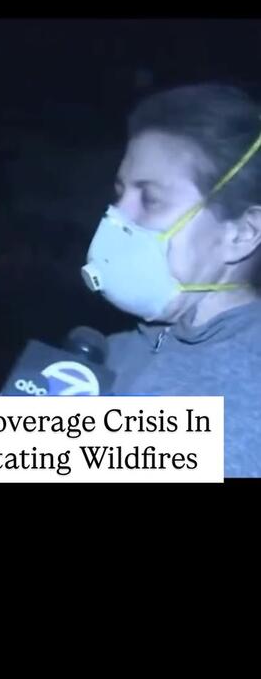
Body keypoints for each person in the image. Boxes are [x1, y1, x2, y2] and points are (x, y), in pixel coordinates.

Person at [82, 83, 261, 478]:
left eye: (151, 200)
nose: (116, 218)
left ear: (241, 233)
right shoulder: (99, 360)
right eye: (120, 194)